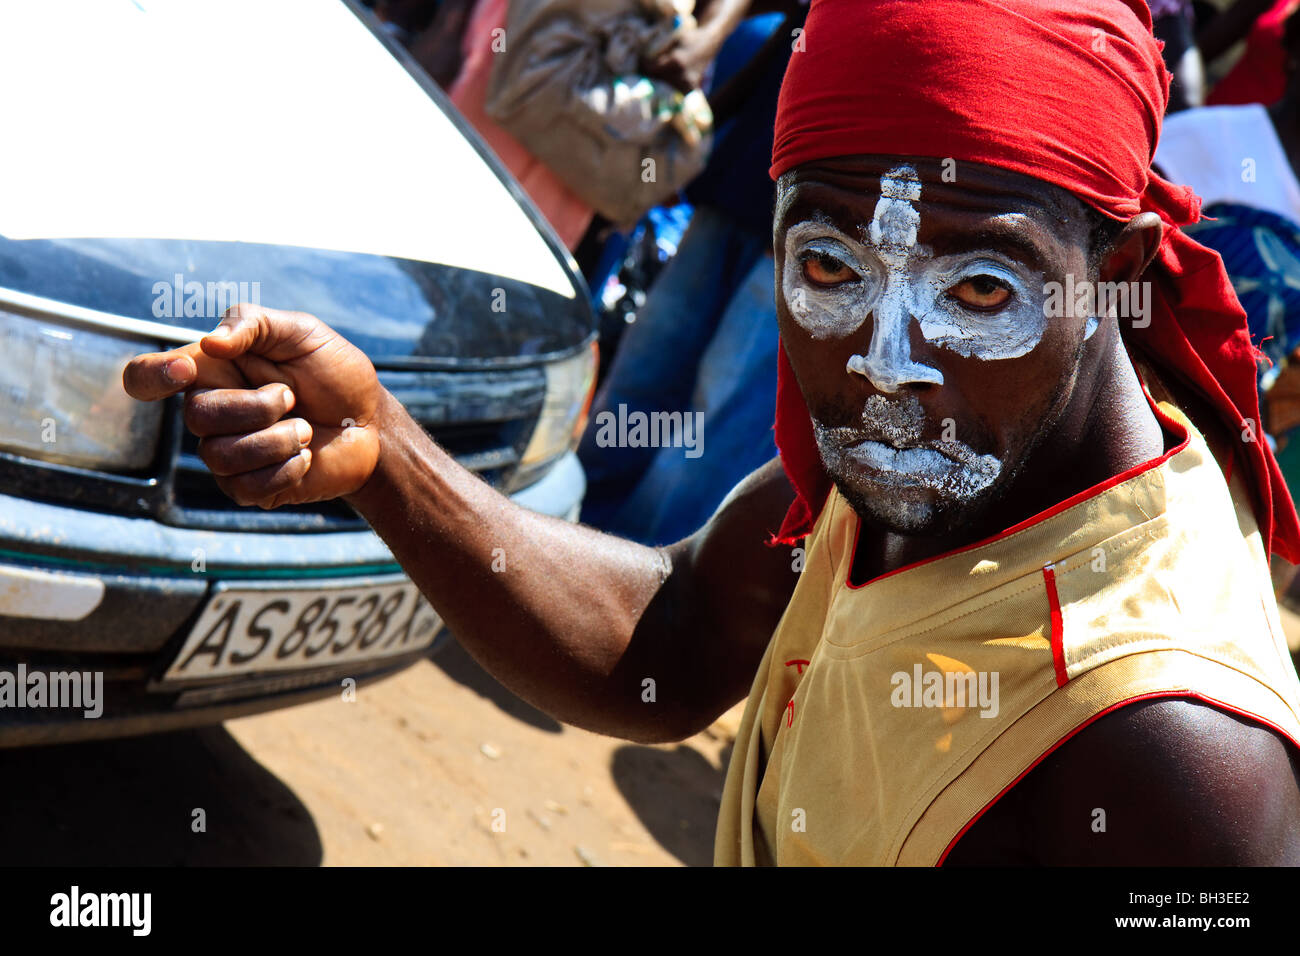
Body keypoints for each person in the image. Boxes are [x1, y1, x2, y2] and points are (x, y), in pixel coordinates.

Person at [123, 0, 1300, 865]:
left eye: (979, 291)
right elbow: (676, 633)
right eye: (829, 267)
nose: (884, 367)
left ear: (1120, 270)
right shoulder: (938, 470)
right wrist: (386, 448)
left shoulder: (1169, 756)